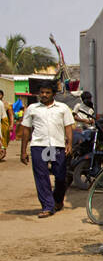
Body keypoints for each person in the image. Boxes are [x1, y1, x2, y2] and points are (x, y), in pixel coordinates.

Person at [20, 83, 74, 217]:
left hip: (56, 146)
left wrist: (69, 143)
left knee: (61, 175)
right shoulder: (32, 109)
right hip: (39, 145)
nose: (44, 95)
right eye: (42, 92)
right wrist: (23, 151)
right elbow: (26, 129)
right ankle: (47, 207)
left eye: (47, 93)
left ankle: (57, 200)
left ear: (53, 94)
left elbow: (68, 126)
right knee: (41, 176)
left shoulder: (62, 108)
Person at [0, 90, 11, 160]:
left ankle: (3, 151)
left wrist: (11, 124)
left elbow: (10, 115)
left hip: (4, 122)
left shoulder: (4, 104)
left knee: (4, 138)